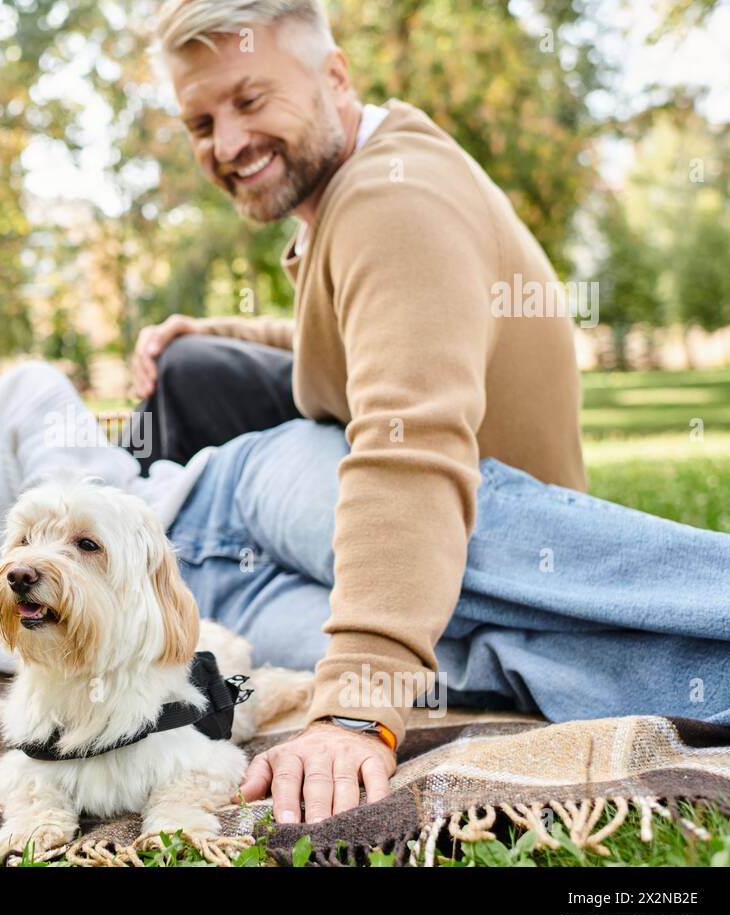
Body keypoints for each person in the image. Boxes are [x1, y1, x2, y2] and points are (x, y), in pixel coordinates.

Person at [0, 263, 730, 825]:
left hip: (216, 506)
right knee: (451, 658)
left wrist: (42, 559)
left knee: (478, 549)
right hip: (223, 617)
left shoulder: (21, 399)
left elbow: (77, 497)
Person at [129, 0, 592, 816]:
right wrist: (210, 331)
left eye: (248, 100)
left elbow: (409, 443)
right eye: (200, 122)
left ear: (333, 75)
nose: (227, 144)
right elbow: (355, 339)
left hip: (476, 547)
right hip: (424, 522)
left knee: (205, 581)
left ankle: (169, 577)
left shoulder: (393, 204)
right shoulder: (375, 167)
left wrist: (359, 698)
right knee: (191, 369)